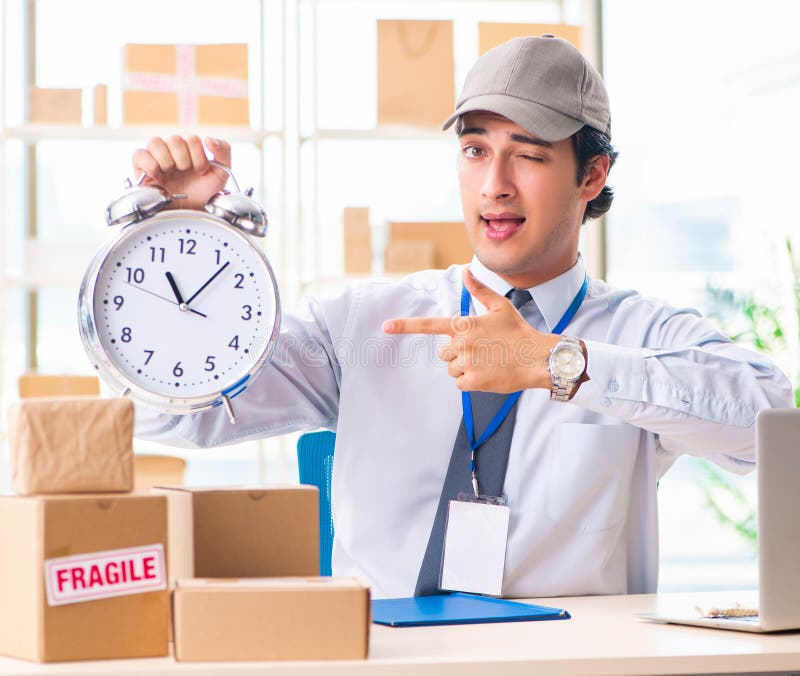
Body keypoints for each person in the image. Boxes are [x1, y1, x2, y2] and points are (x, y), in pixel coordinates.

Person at [134, 36, 793, 599]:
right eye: (476, 150)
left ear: (592, 175)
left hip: (565, 665)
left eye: (529, 154)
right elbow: (171, 413)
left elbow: (765, 419)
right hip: (387, 660)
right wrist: (171, 236)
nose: (494, 185)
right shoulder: (368, 325)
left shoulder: (640, 335)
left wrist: (555, 362)